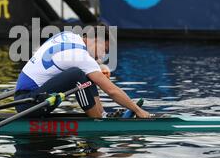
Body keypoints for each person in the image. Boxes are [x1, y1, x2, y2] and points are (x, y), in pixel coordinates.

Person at [14, 28, 150, 118]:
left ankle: (101, 114)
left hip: (26, 98)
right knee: (78, 75)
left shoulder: (68, 35)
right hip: (30, 105)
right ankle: (96, 120)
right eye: (105, 49)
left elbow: (64, 57)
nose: (103, 56)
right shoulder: (82, 57)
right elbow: (111, 90)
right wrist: (138, 111)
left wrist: (97, 68)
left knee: (86, 73)